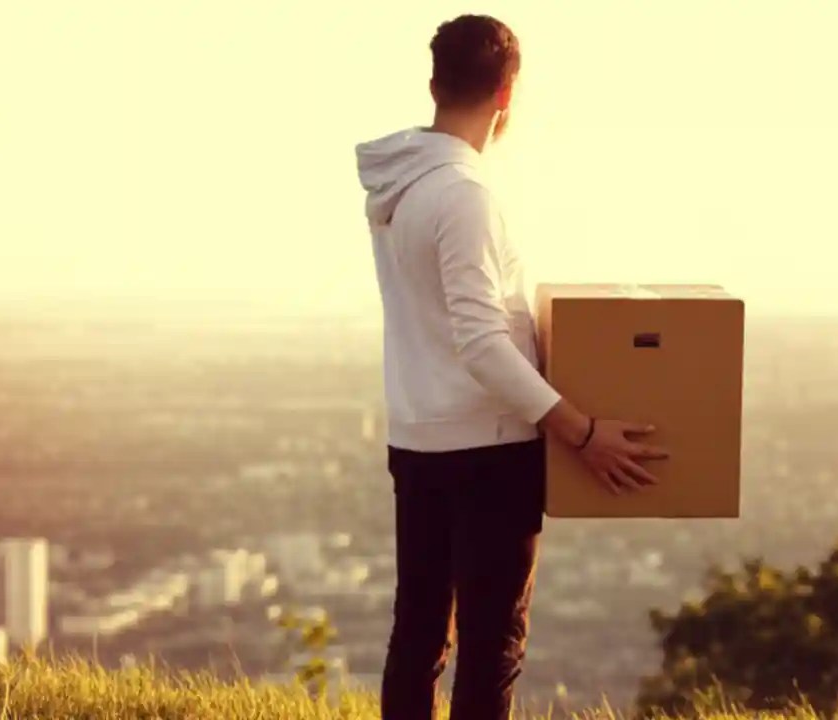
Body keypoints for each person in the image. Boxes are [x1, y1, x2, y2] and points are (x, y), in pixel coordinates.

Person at [355, 13, 669, 720]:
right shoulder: (466, 195)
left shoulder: (399, 190)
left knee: (420, 633)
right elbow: (481, 341)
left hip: (418, 439)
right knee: (491, 644)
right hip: (487, 453)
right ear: (506, 95)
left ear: (435, 83)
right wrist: (582, 432)